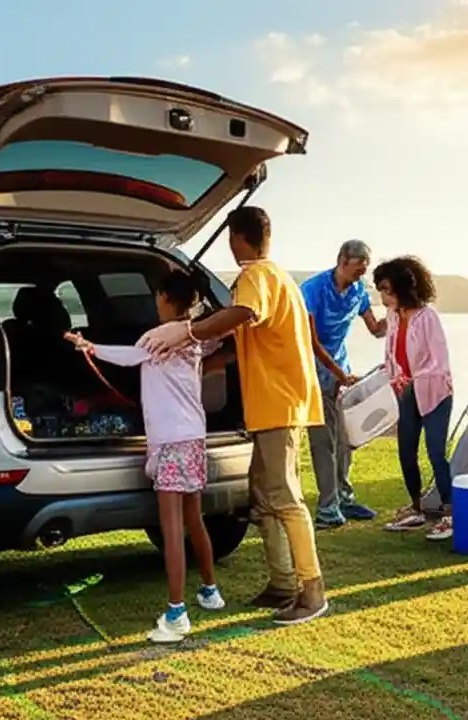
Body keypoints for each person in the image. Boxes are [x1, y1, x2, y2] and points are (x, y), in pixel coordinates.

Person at [137, 206, 329, 625]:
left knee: (283, 497)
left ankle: (312, 591)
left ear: (236, 237)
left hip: (279, 404)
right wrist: (202, 351)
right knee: (263, 494)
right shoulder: (280, 278)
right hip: (277, 404)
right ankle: (282, 583)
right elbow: (239, 334)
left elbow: (243, 315)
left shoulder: (256, 277)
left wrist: (187, 331)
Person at [62, 270, 227, 643]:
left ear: (167, 299)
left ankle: (176, 614)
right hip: (193, 439)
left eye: (158, 295)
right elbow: (222, 335)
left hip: (170, 442)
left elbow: (127, 357)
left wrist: (90, 347)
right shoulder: (195, 338)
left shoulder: (159, 337)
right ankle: (210, 591)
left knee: (171, 529)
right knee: (193, 519)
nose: (155, 301)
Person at [301, 239, 387, 529]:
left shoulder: (359, 291)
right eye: (357, 270)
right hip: (314, 371)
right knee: (323, 440)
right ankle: (327, 508)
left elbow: (376, 330)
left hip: (340, 372)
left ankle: (344, 498)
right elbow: (310, 342)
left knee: (345, 438)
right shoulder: (312, 290)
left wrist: (399, 309)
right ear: (342, 261)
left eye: (364, 271)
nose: (360, 277)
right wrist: (339, 374)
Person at [373, 256, 455, 540]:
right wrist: (387, 376)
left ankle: (449, 512)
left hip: (434, 393)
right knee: (406, 451)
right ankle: (416, 508)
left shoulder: (427, 316)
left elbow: (438, 360)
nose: (383, 297)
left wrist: (413, 380)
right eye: (380, 290)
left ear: (402, 287)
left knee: (435, 452)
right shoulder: (394, 317)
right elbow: (392, 356)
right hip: (406, 392)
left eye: (386, 289)